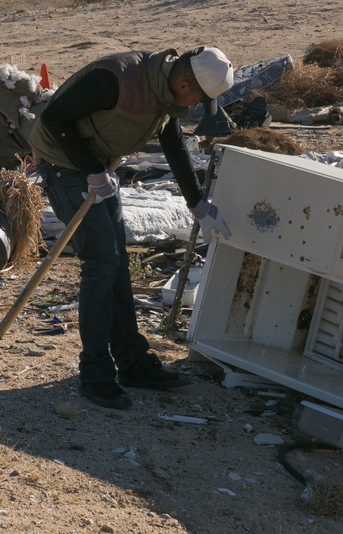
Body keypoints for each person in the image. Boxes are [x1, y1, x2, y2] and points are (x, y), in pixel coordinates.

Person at [29, 47, 234, 409]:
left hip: (97, 165)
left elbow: (172, 142)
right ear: (184, 82)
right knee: (102, 261)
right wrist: (91, 169)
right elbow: (55, 119)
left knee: (117, 261)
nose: (195, 105)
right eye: (198, 97)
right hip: (64, 162)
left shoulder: (169, 94)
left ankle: (133, 363)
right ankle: (94, 374)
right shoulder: (116, 79)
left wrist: (196, 203)